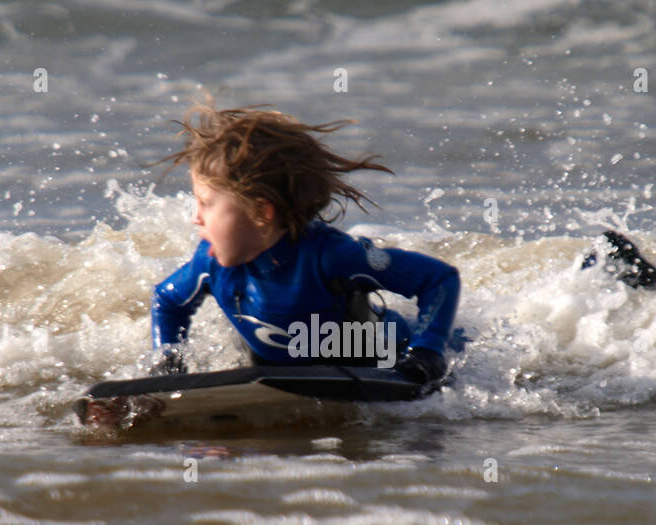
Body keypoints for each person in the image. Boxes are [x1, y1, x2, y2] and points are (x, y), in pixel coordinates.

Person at [145, 101, 461, 392]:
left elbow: (438, 279)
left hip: (378, 358)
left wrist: (426, 354)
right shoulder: (209, 263)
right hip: (278, 371)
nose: (195, 218)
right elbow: (167, 302)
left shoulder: (334, 256)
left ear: (261, 212)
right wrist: (169, 365)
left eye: (206, 203)